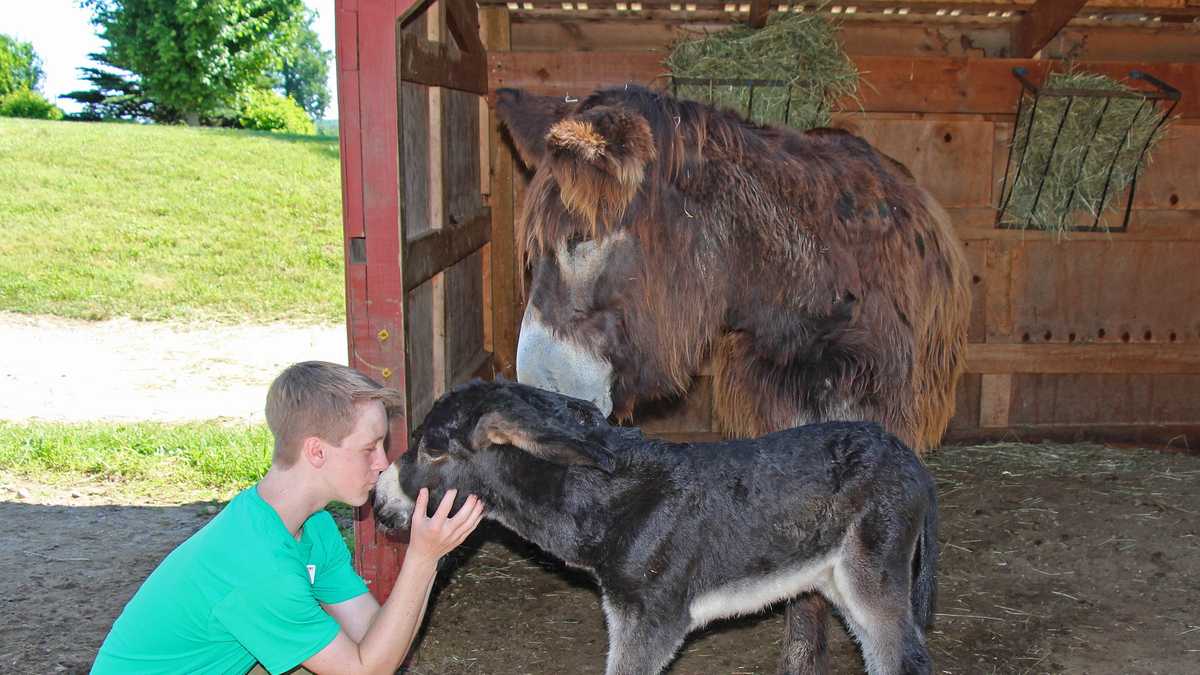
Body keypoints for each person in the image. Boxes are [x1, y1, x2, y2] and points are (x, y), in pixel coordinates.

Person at [91, 361, 485, 675]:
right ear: (316, 453)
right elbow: (367, 669)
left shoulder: (311, 527)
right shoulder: (260, 563)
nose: (383, 463)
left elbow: (371, 636)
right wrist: (423, 558)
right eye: (369, 448)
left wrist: (428, 557)